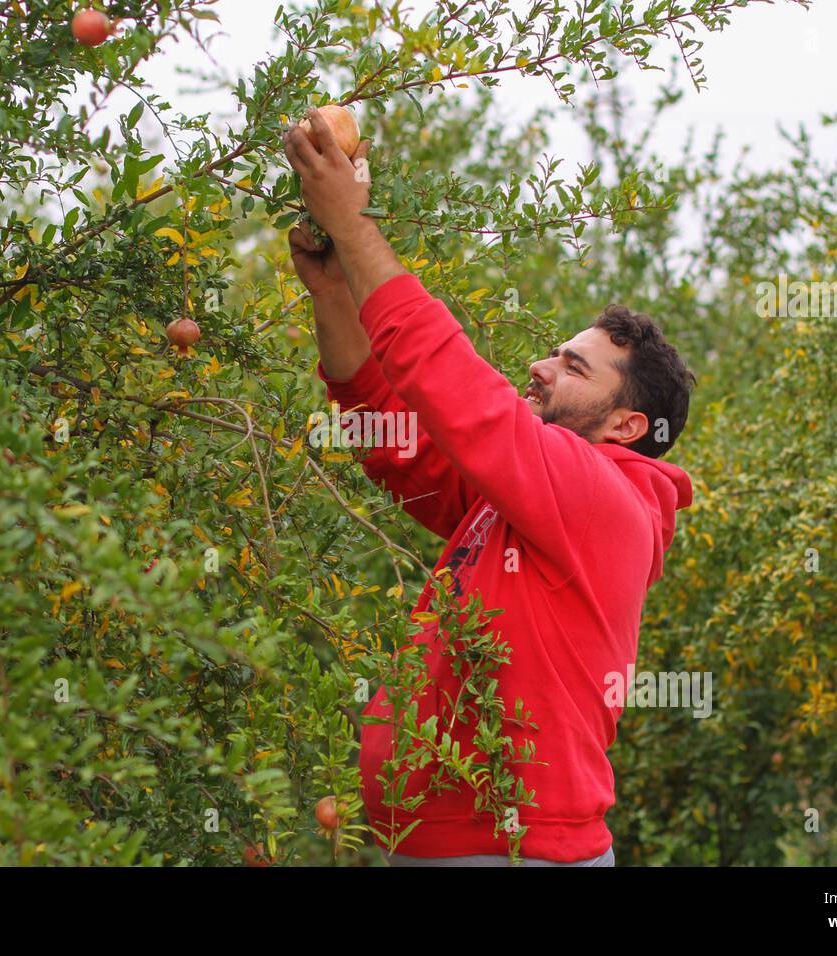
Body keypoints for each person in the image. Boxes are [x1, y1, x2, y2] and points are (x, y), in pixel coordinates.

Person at [283, 109, 696, 866]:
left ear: (628, 426)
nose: (541, 367)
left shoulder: (604, 501)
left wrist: (352, 223)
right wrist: (333, 292)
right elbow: (395, 442)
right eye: (553, 352)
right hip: (439, 846)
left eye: (573, 368)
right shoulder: (516, 506)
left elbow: (456, 390)